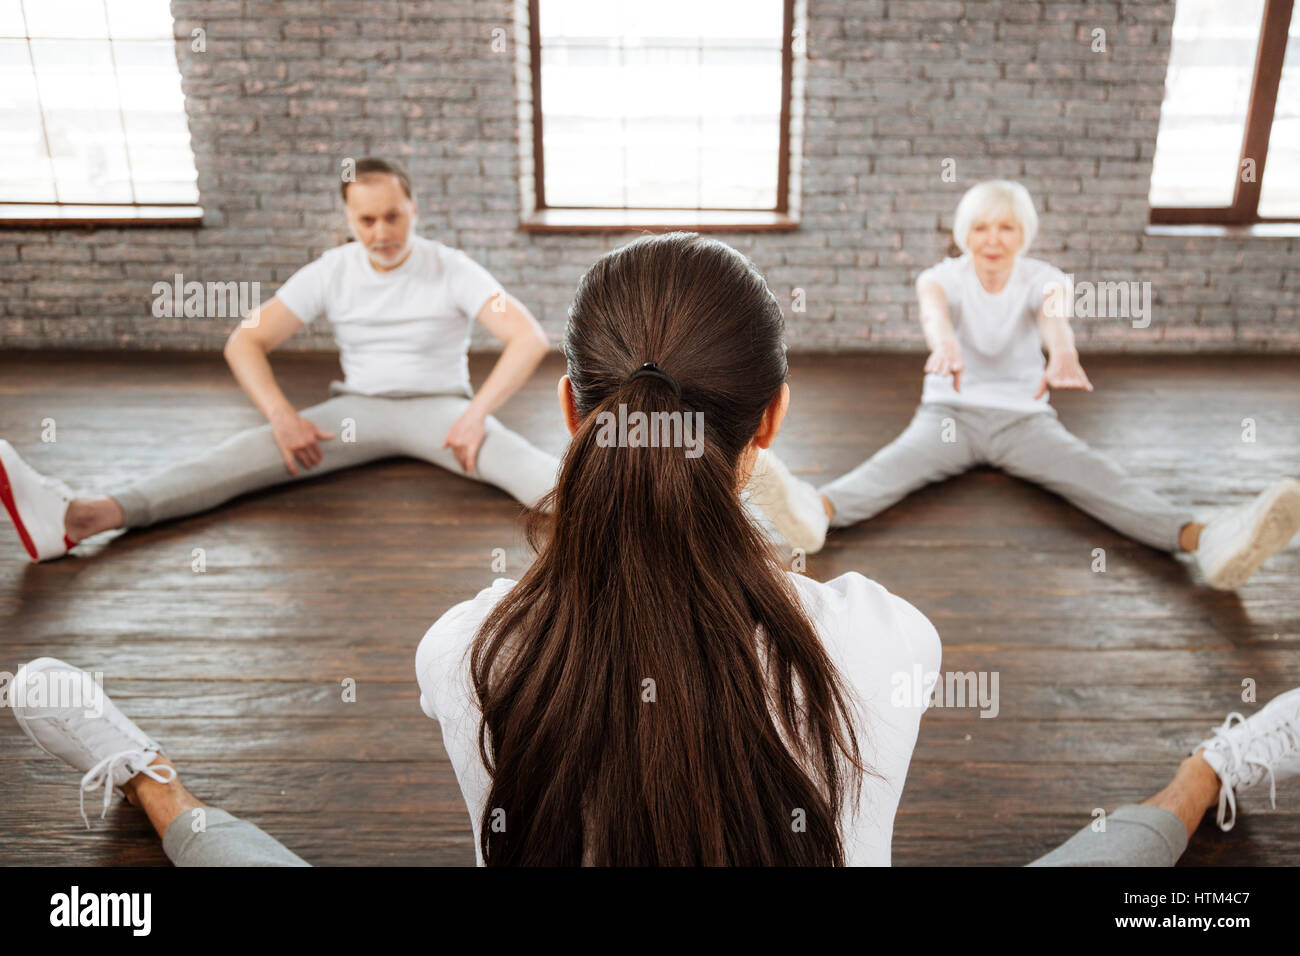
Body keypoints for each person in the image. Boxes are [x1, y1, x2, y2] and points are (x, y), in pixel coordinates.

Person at [10, 235, 1300, 866]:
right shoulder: (886, 635)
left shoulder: (464, 644)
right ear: (773, 424)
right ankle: (1212, 764)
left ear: (571, 410)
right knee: (1128, 859)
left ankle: (149, 774)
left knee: (227, 853)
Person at [0, 157, 560, 563]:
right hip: (355, 413)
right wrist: (282, 416)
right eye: (367, 221)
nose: (383, 233)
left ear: (413, 208)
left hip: (444, 413)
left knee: (539, 478)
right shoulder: (331, 271)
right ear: (347, 218)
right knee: (231, 461)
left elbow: (528, 338)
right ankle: (81, 518)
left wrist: (474, 413)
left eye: (393, 216)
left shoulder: (452, 267)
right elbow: (244, 341)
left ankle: (643, 533)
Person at [747, 181, 1300, 590]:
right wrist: (944, 345)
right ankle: (812, 514)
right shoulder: (940, 277)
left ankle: (1207, 540)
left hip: (1024, 419)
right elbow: (936, 316)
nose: (993, 239)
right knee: (884, 474)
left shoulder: (1044, 279)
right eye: (982, 227)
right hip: (949, 419)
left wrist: (1062, 354)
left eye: (1006, 227)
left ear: (1023, 234)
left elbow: (1054, 320)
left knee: (1100, 480)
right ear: (965, 233)